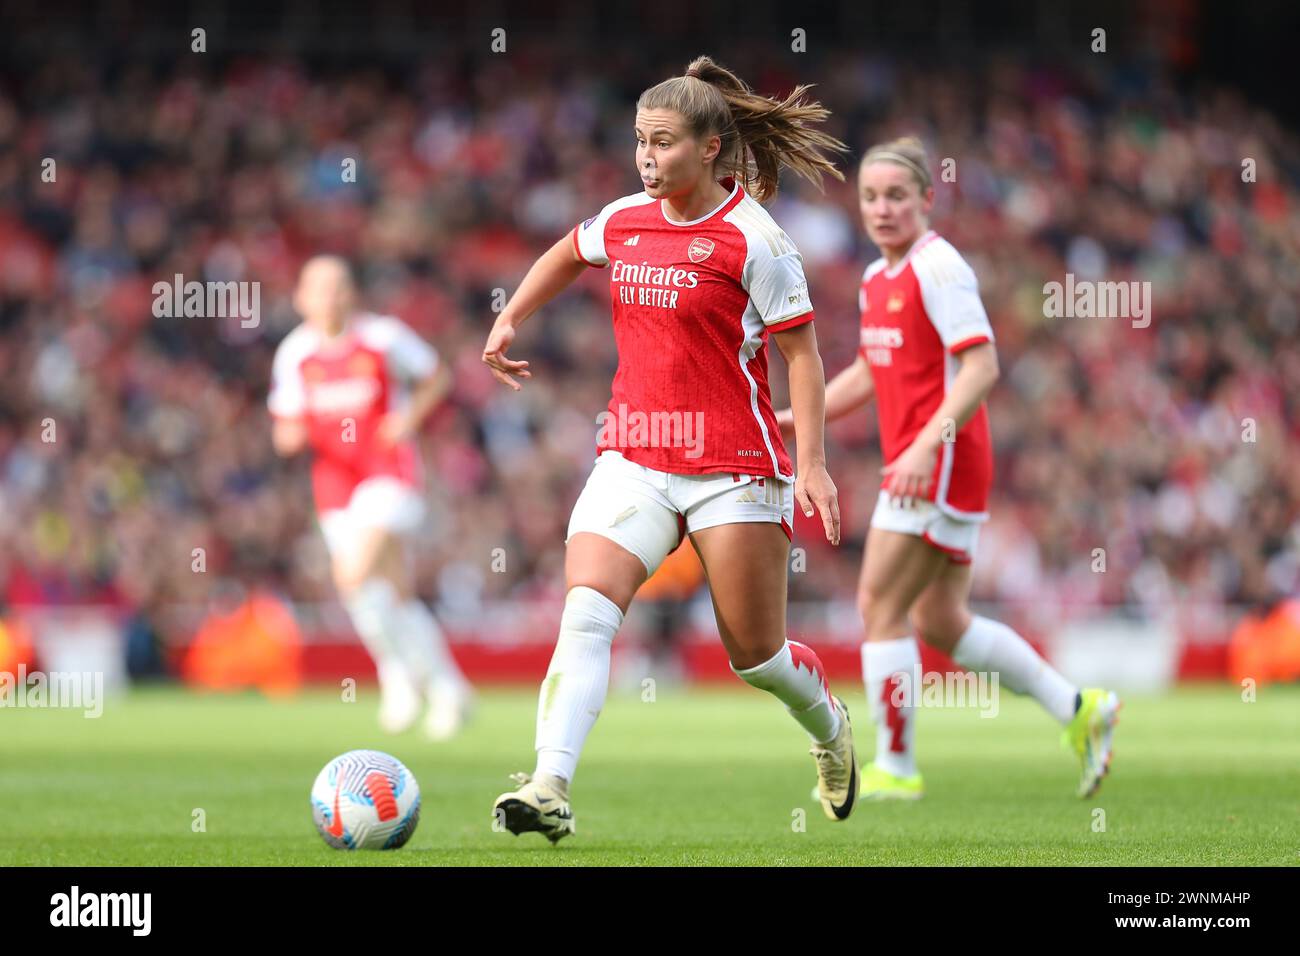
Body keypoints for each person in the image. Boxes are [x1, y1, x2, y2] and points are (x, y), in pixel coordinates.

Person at [482, 55, 856, 843]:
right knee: (585, 614)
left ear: (711, 148)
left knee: (754, 656)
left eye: (664, 143)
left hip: (734, 466)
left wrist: (814, 463)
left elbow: (803, 359)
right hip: (636, 453)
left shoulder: (757, 240)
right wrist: (511, 317)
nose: (648, 159)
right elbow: (567, 251)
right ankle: (550, 783)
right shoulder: (625, 218)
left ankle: (828, 728)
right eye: (640, 143)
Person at [779, 137, 1121, 800]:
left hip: (937, 461)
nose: (882, 209)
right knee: (942, 622)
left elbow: (983, 366)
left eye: (897, 197)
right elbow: (868, 372)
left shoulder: (939, 268)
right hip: (932, 460)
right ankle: (1078, 709)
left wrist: (924, 448)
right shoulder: (878, 277)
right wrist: (801, 420)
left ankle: (897, 768)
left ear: (927, 201)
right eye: (871, 197)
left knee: (879, 603)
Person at [268, 255, 473, 740]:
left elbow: (436, 376)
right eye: (318, 288)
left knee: (352, 575)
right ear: (301, 298)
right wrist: (293, 434)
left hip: (388, 472)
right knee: (389, 592)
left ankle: (397, 676)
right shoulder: (294, 353)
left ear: (351, 293)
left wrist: (408, 418)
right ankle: (448, 689)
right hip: (335, 485)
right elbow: (285, 427)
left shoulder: (383, 337)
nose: (329, 297)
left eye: (338, 286)